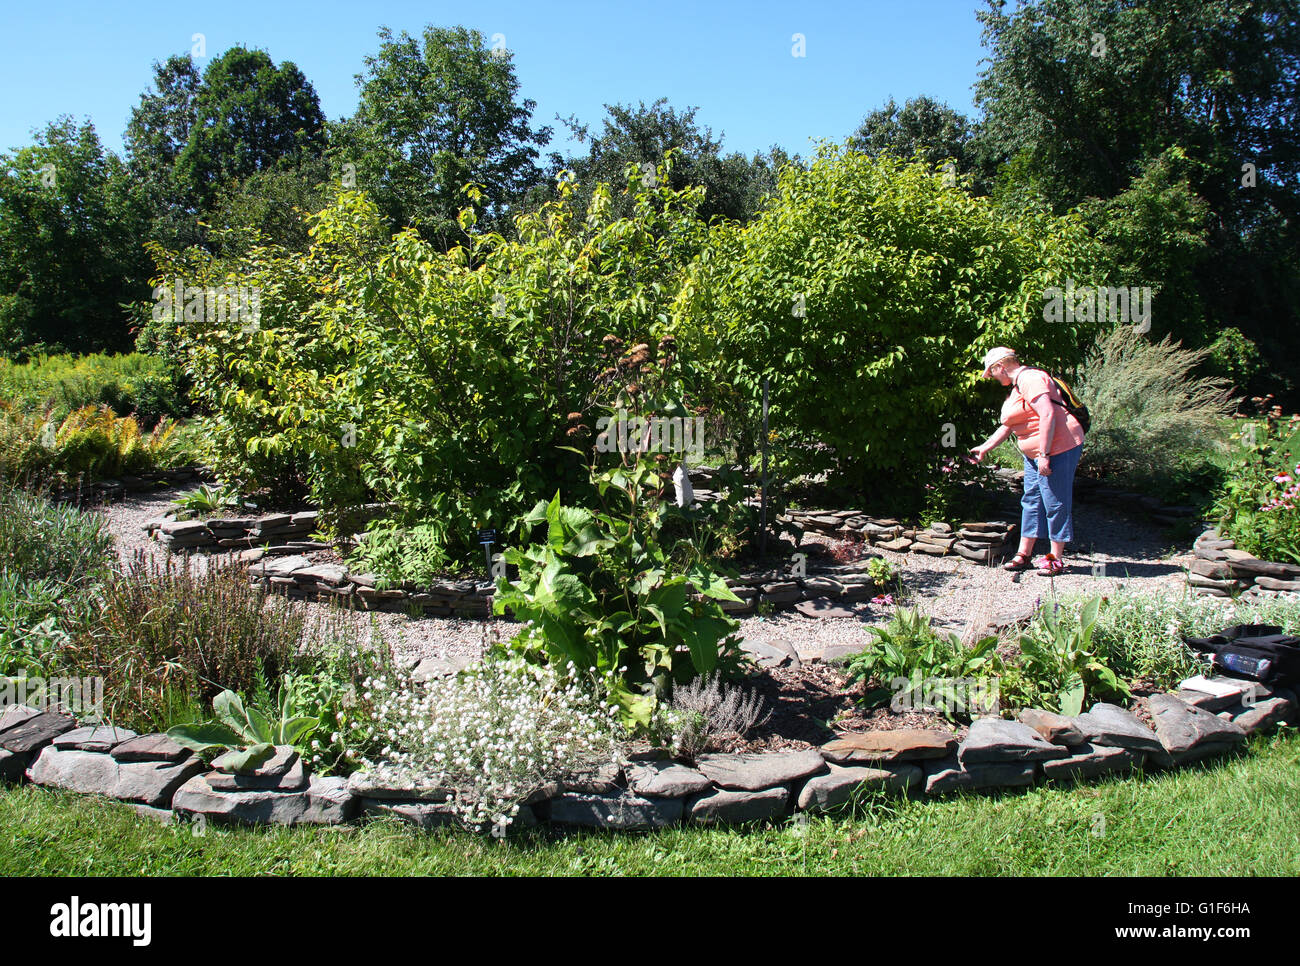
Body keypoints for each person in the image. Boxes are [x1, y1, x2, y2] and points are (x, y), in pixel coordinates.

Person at [970, 347, 1085, 575]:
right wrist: (984, 448)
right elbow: (1009, 425)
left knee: (1056, 501)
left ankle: (1055, 558)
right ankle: (1024, 554)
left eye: (991, 373)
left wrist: (1044, 454)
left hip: (1058, 448)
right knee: (1031, 500)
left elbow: (1048, 414)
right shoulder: (1017, 386)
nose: (992, 377)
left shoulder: (1031, 378)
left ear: (999, 367)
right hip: (1035, 453)